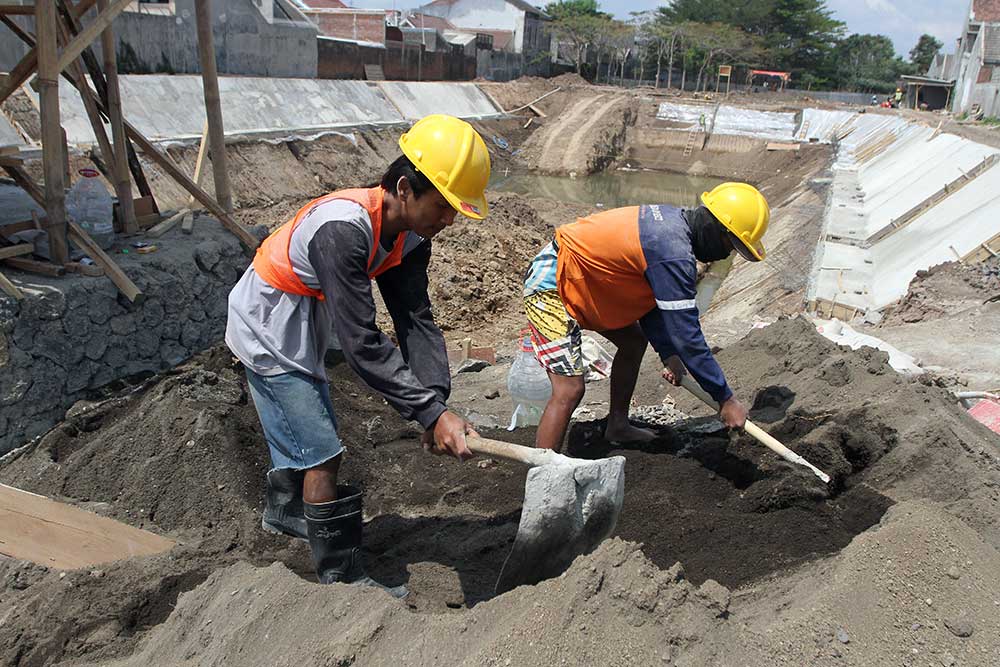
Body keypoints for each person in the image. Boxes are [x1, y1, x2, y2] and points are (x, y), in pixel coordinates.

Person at [225, 114, 490, 596]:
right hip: (268, 319)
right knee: (322, 452)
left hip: (306, 311)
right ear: (405, 188)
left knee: (306, 427)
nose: (449, 220)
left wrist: (433, 403)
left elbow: (414, 318)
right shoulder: (342, 230)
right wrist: (432, 415)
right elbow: (362, 343)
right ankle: (341, 578)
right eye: (444, 205)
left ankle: (285, 511)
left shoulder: (411, 235)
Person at [521, 183, 770, 452]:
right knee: (569, 389)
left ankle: (617, 425)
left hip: (585, 280)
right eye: (730, 245)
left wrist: (668, 353)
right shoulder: (673, 252)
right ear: (716, 229)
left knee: (633, 342)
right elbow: (687, 335)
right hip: (552, 285)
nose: (727, 254)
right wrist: (725, 398)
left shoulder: (673, 226)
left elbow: (649, 300)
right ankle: (543, 468)